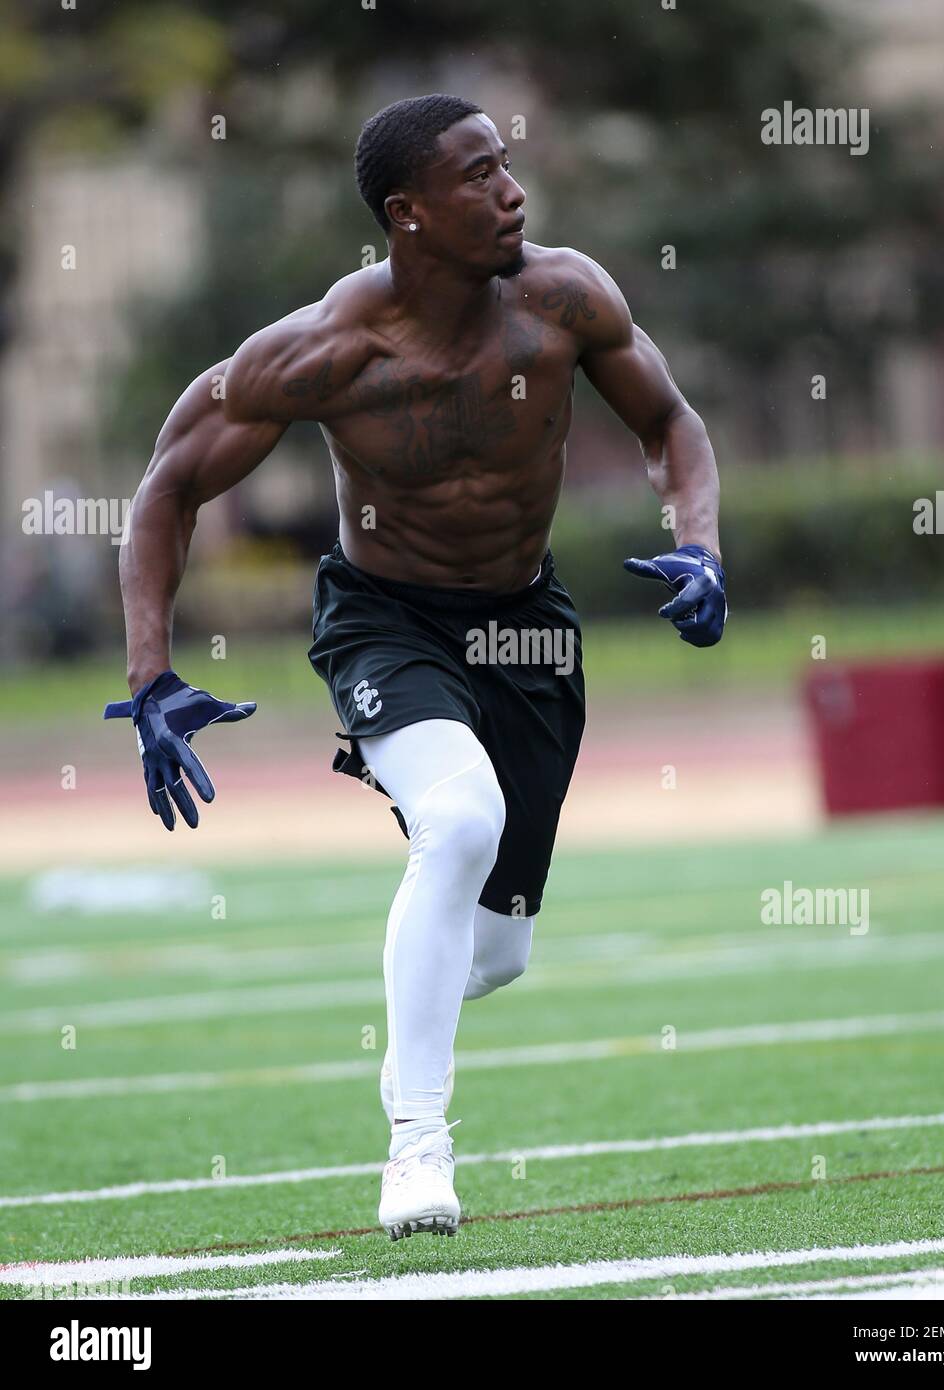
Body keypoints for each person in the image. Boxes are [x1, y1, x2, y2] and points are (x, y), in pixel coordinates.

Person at [104, 93, 726, 1241]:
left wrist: (700, 542)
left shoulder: (565, 297)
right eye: (479, 174)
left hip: (527, 628)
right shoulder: (328, 349)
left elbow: (671, 424)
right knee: (459, 819)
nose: (511, 191)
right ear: (409, 214)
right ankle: (416, 1146)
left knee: (500, 948)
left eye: (508, 165)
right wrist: (150, 675)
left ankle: (420, 985)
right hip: (386, 621)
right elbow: (168, 486)